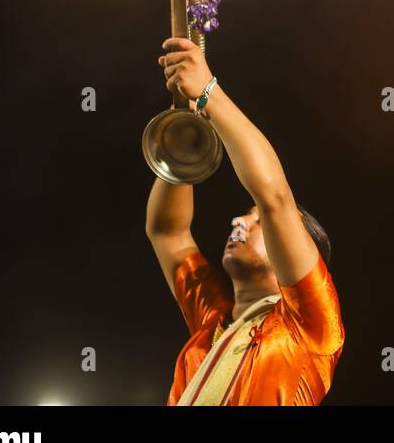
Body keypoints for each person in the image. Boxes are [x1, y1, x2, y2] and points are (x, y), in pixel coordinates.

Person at [144, 37, 344, 405]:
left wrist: (208, 93)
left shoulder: (311, 325)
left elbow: (274, 200)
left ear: (300, 248)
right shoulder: (213, 325)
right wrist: (184, 132)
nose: (239, 219)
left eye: (258, 222)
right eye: (247, 215)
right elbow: (167, 232)